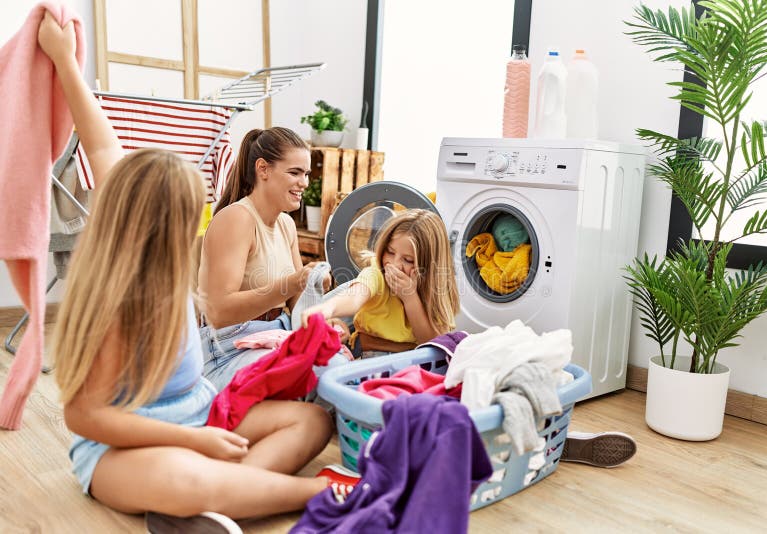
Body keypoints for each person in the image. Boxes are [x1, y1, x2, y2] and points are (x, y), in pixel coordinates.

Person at [38, 12, 337, 531]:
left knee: (311, 420)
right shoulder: (122, 296)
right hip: (123, 445)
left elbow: (104, 145)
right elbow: (82, 417)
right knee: (184, 476)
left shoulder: (141, 228)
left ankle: (217, 504)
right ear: (161, 225)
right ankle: (318, 495)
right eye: (191, 213)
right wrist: (192, 441)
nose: (201, 220)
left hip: (197, 413)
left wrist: (64, 58)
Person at [197, 127, 332, 390]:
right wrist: (291, 283)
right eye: (294, 172)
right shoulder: (236, 219)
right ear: (263, 169)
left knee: (333, 366)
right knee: (309, 379)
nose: (304, 182)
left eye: (306, 174)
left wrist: (320, 302)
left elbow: (296, 304)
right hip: (226, 349)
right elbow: (218, 311)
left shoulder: (286, 224)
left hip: (275, 333)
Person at [301, 209, 460, 357]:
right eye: (390, 252)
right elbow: (354, 297)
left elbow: (435, 344)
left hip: (410, 359)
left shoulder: (437, 289)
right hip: (372, 356)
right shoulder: (377, 273)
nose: (394, 264)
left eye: (408, 260)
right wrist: (328, 308)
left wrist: (410, 297)